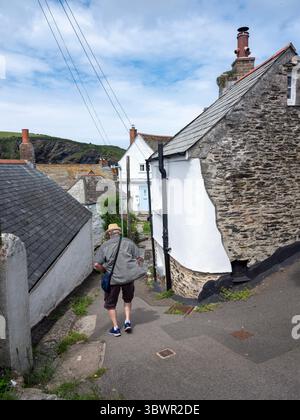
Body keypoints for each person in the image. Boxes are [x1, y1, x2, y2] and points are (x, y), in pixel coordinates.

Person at [94, 223, 146, 337]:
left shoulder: (104, 246)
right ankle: (127, 321)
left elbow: (97, 265)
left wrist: (104, 270)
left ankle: (116, 328)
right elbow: (139, 258)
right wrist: (134, 268)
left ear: (109, 234)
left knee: (111, 304)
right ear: (119, 232)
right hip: (128, 278)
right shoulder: (128, 242)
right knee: (127, 299)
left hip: (113, 280)